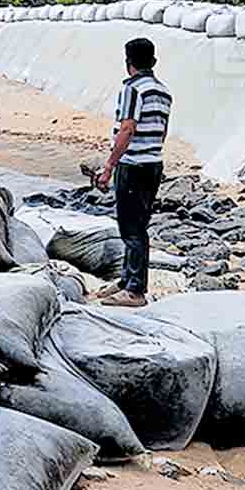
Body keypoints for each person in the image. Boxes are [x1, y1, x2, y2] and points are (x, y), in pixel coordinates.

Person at [94, 38, 173, 308]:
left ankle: (135, 289)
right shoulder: (163, 92)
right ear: (153, 62)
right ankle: (127, 279)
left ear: (128, 63)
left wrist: (109, 166)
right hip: (153, 164)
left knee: (131, 228)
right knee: (137, 224)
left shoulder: (132, 89)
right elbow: (163, 131)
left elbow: (127, 128)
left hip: (134, 165)